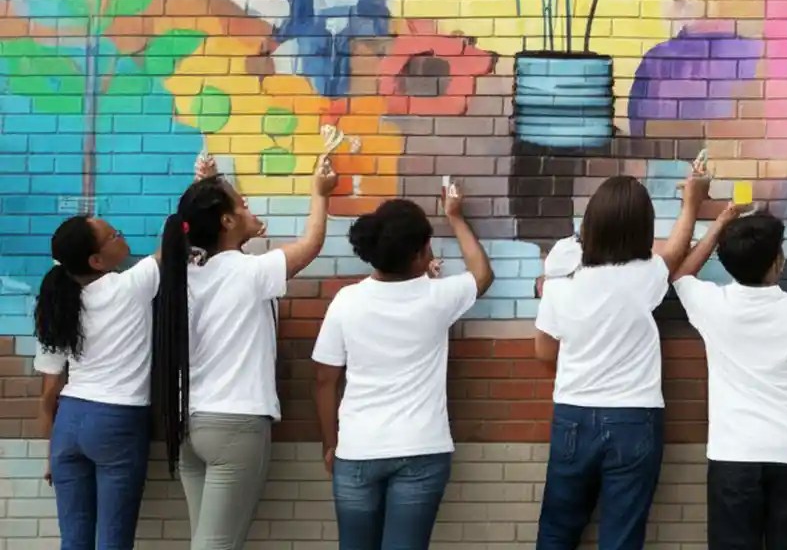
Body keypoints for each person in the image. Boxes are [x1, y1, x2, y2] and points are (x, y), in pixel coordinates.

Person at [152, 157, 338, 550]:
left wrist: (204, 187)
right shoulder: (250, 272)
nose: (250, 206)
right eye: (243, 205)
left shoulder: (185, 273)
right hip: (235, 426)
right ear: (225, 222)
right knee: (216, 545)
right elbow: (312, 244)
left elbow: (194, 234)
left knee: (204, 540)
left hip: (190, 424)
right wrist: (319, 194)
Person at [532, 165, 710, 550]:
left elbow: (544, 352)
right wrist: (692, 204)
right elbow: (677, 251)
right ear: (643, 229)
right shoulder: (645, 276)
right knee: (622, 537)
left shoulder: (560, 287)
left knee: (557, 530)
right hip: (635, 417)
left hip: (573, 415)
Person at [312, 188, 494, 550]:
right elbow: (482, 274)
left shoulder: (347, 302)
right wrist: (456, 216)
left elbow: (324, 379)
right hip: (422, 450)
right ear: (418, 255)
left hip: (358, 449)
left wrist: (331, 444)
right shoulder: (437, 297)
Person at [671, 207, 787, 550]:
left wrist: (720, 224)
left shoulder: (711, 303)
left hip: (733, 454)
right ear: (777, 262)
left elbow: (681, 273)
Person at [33, 215, 157, 549]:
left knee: (74, 541)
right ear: (96, 261)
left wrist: (52, 454)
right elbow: (178, 240)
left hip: (68, 426)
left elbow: (49, 393)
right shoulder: (131, 285)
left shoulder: (57, 304)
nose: (121, 235)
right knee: (113, 541)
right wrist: (203, 180)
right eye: (113, 234)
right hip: (117, 422)